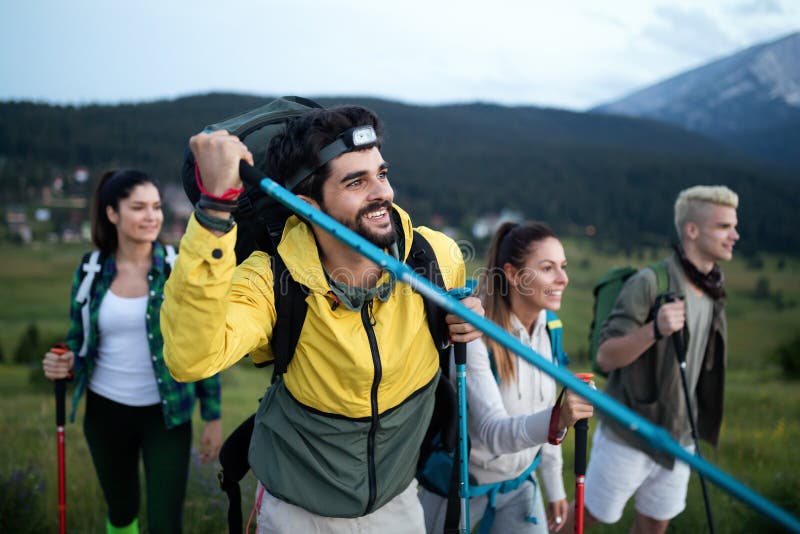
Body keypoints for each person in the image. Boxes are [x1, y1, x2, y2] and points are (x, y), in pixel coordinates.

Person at [160, 105, 484, 533]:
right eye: (356, 182)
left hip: (400, 502)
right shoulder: (270, 281)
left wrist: (461, 322)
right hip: (298, 514)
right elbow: (191, 358)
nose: (383, 193)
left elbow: (452, 323)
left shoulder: (436, 257)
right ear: (307, 205)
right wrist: (214, 211)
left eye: (382, 174)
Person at [41, 169, 222, 534]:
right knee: (122, 512)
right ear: (112, 213)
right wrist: (64, 361)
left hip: (167, 415)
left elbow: (203, 342)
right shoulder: (91, 270)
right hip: (105, 414)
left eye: (156, 206)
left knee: (165, 523)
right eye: (138, 207)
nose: (151, 216)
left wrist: (213, 416)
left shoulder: (178, 268)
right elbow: (77, 340)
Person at [581, 185, 739, 533]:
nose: (735, 235)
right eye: (724, 226)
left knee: (653, 526)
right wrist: (654, 330)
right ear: (691, 230)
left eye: (734, 226)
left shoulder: (713, 290)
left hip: (679, 439)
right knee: (584, 518)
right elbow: (606, 357)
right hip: (629, 434)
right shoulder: (649, 283)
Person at [418, 221, 594, 533]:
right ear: (513, 274)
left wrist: (555, 487)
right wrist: (558, 419)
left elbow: (545, 408)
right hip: (461, 486)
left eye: (563, 267)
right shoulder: (474, 333)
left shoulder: (549, 328)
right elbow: (491, 433)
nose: (563, 278)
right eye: (548, 268)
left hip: (520, 483)